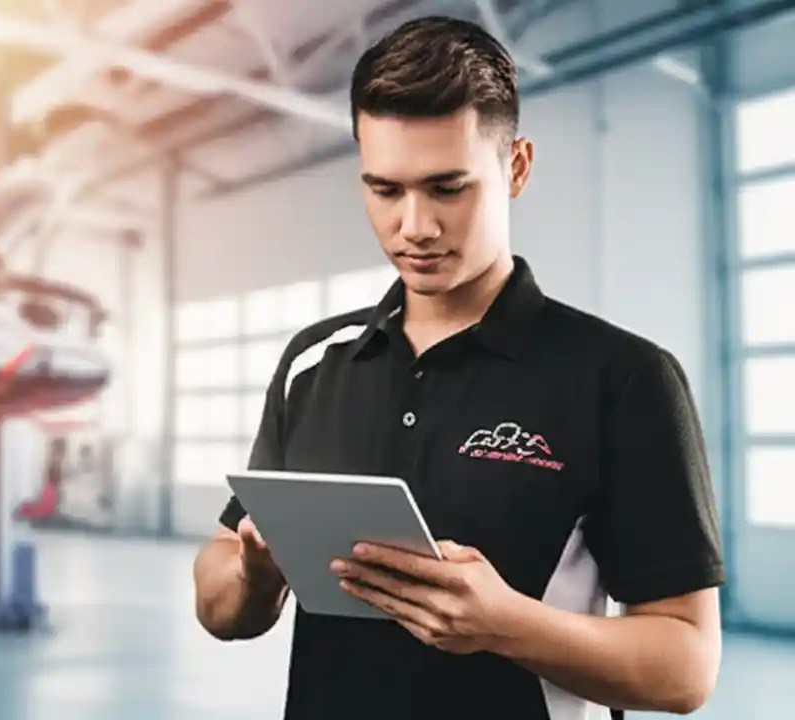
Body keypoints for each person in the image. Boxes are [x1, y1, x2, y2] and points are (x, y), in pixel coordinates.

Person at [192, 16, 724, 720]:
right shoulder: (313, 364)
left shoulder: (621, 379)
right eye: (384, 190)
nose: (414, 226)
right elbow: (221, 594)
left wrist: (506, 625)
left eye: (448, 188)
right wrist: (254, 574)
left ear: (517, 168)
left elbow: (686, 668)